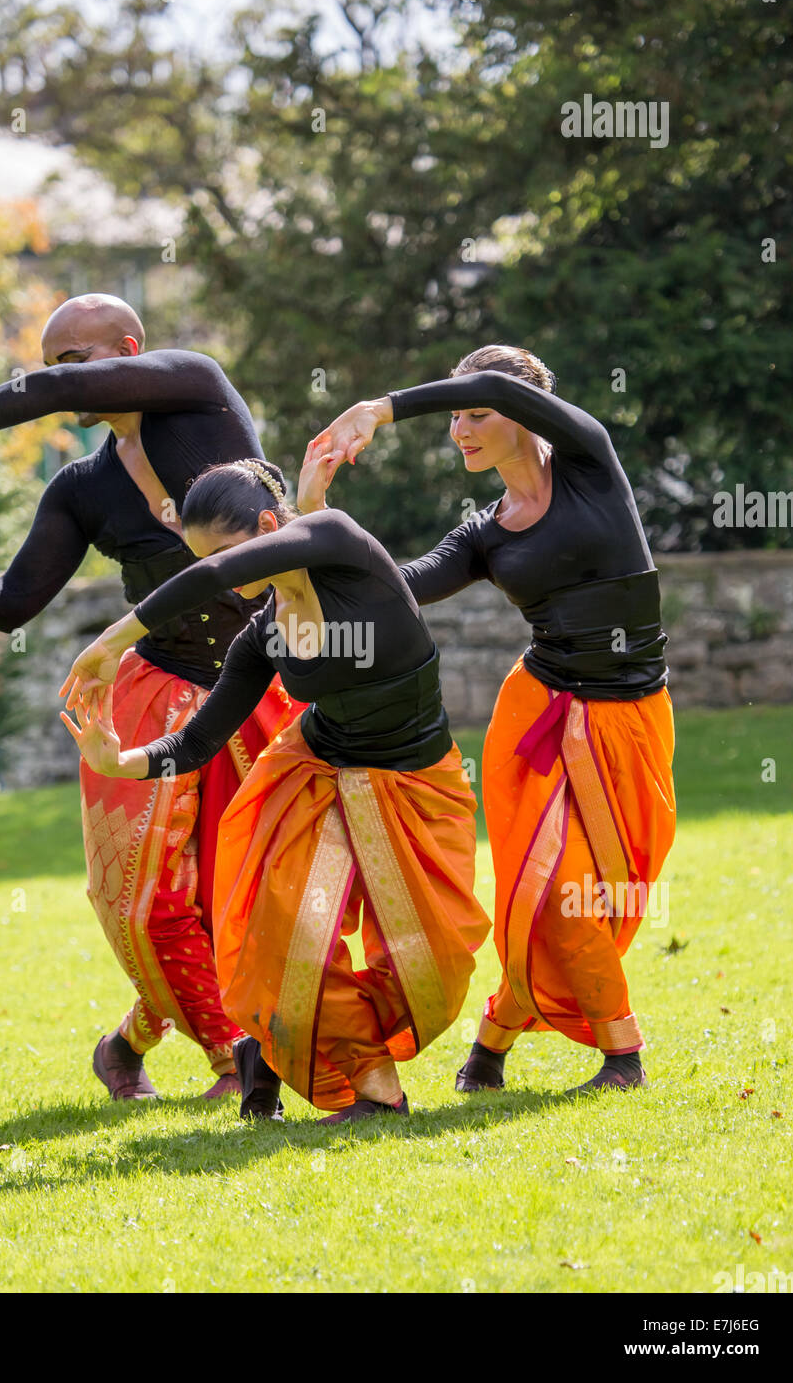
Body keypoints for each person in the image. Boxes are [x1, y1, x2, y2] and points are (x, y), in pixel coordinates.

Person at [0, 294, 301, 1101]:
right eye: (51, 364)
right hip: (158, 688)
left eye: (76, 361)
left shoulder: (199, 392)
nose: (60, 380)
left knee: (249, 888)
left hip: (266, 677)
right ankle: (229, 1060)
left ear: (130, 350)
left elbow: (47, 396)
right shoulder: (81, 487)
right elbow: (10, 603)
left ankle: (127, 1046)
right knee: (148, 900)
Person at [59, 459, 491, 1122]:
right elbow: (197, 742)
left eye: (232, 555)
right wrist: (123, 763)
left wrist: (113, 640)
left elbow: (210, 575)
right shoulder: (263, 632)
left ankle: (269, 1051)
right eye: (208, 559)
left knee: (427, 972)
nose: (225, 580)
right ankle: (374, 1092)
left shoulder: (338, 540)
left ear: (269, 526)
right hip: (314, 774)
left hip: (415, 780)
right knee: (291, 937)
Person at [300, 344, 676, 1094]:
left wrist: (381, 407)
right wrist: (315, 515)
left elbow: (477, 386)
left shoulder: (589, 461)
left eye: (477, 413)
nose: (459, 429)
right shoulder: (485, 531)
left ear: (524, 411)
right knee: (544, 889)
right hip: (537, 715)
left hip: (632, 714)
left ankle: (493, 1044)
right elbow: (394, 587)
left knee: (602, 890)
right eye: (457, 416)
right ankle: (622, 1055)